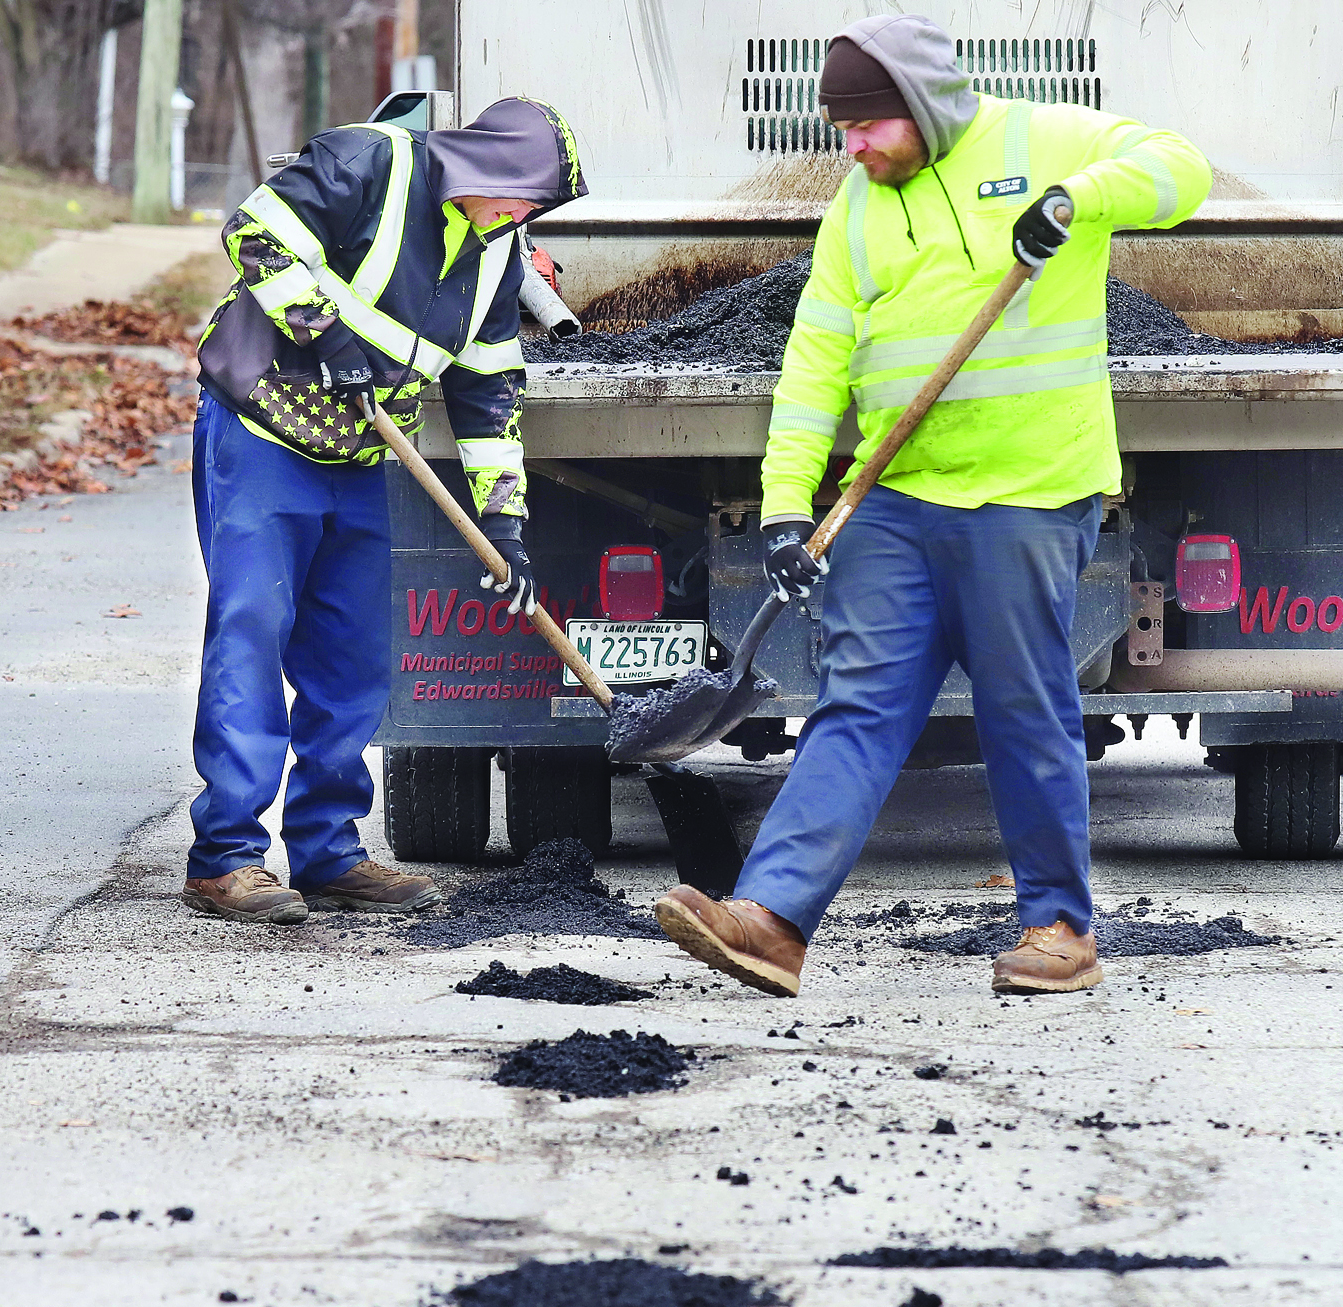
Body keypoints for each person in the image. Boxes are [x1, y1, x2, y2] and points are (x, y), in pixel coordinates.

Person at [655, 14, 1209, 996]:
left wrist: (1079, 199)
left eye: (867, 125)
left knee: (1022, 704)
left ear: (919, 105)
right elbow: (815, 363)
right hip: (898, 500)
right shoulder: (857, 213)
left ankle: (1058, 930)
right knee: (856, 706)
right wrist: (787, 506)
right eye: (843, 128)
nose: (853, 147)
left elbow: (1179, 170)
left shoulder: (1042, 141)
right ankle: (773, 919)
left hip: (1030, 493)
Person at [184, 98, 588, 924]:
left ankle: (329, 852)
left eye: (533, 209)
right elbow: (254, 234)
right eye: (518, 198)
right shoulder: (369, 162)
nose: (522, 217)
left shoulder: (497, 254)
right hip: (264, 433)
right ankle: (225, 858)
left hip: (363, 458)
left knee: (354, 660)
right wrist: (326, 337)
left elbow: (488, 395)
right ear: (484, 167)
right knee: (252, 635)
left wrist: (504, 526)